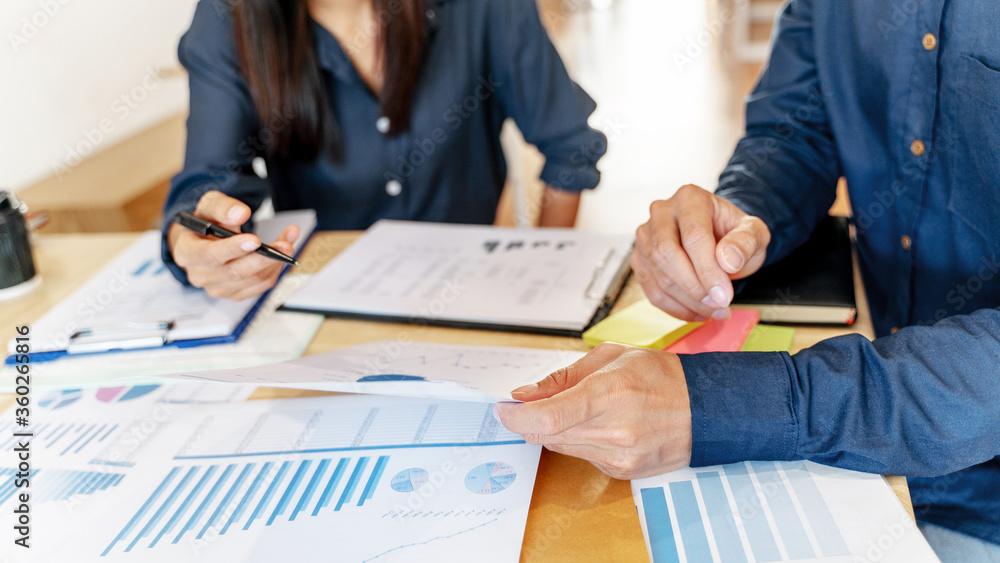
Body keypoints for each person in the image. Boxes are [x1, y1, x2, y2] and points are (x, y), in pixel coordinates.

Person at [495, 0, 1000, 559]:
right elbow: (796, 131)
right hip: (863, 432)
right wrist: (736, 217)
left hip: (980, 498)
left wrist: (725, 405)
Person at [162, 0, 607, 300]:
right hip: (323, 299)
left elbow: (569, 149)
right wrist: (191, 242)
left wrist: (545, 281)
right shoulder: (227, 17)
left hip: (467, 293)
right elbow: (208, 182)